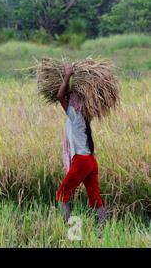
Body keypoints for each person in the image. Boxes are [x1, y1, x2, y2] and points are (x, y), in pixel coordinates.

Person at [56, 64, 107, 226]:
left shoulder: (75, 116)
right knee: (95, 199)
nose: (70, 101)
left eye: (72, 99)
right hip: (92, 162)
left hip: (82, 162)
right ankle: (103, 227)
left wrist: (67, 75)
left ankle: (67, 226)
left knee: (62, 194)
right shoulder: (88, 115)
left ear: (74, 103)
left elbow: (59, 96)